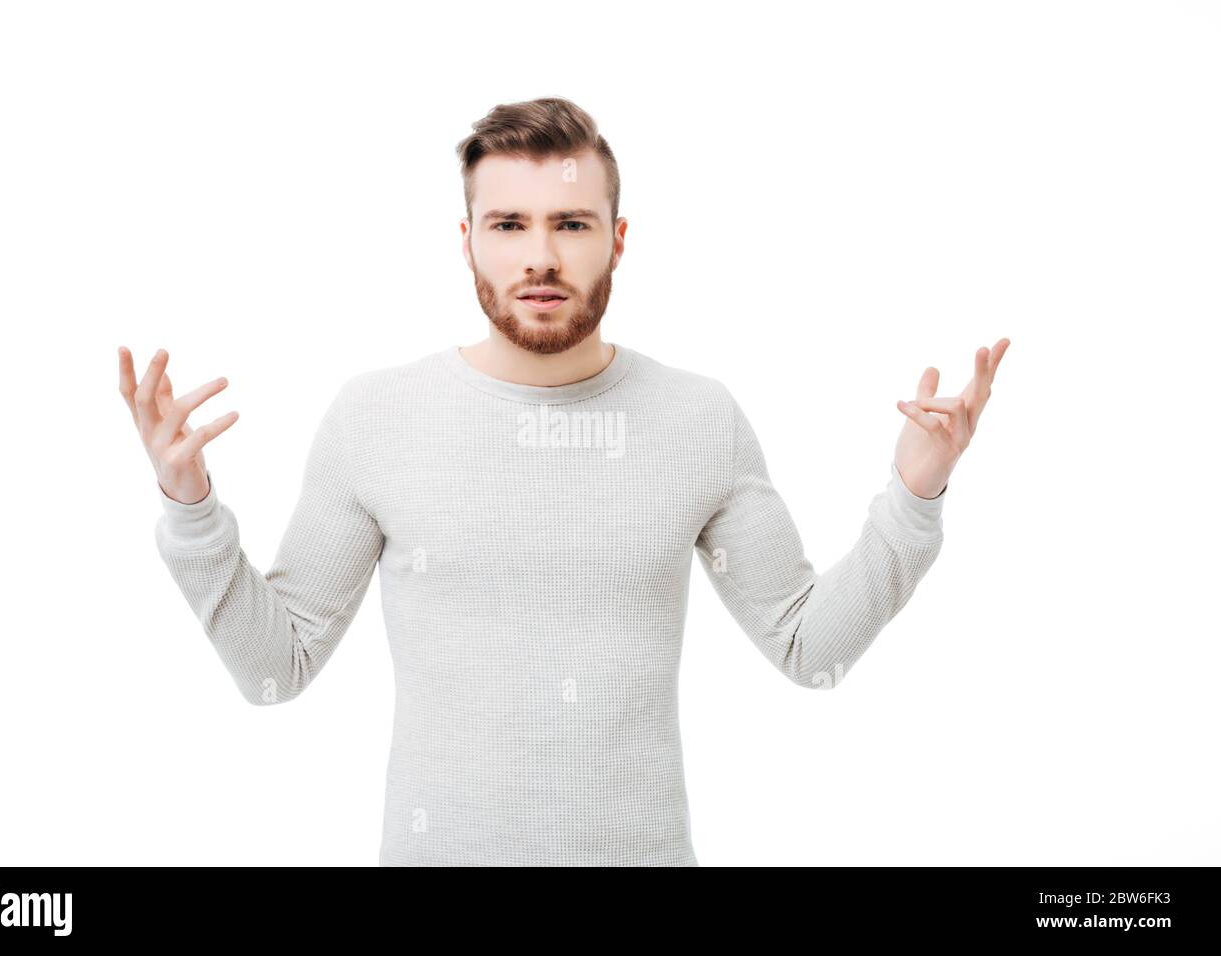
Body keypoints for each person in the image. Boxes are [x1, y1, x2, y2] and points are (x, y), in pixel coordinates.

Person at [117, 96, 1009, 866]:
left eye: (570, 223)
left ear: (617, 241)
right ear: (467, 241)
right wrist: (191, 511)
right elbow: (278, 666)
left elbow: (810, 649)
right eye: (509, 224)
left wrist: (915, 495)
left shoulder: (698, 420)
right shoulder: (376, 418)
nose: (539, 255)